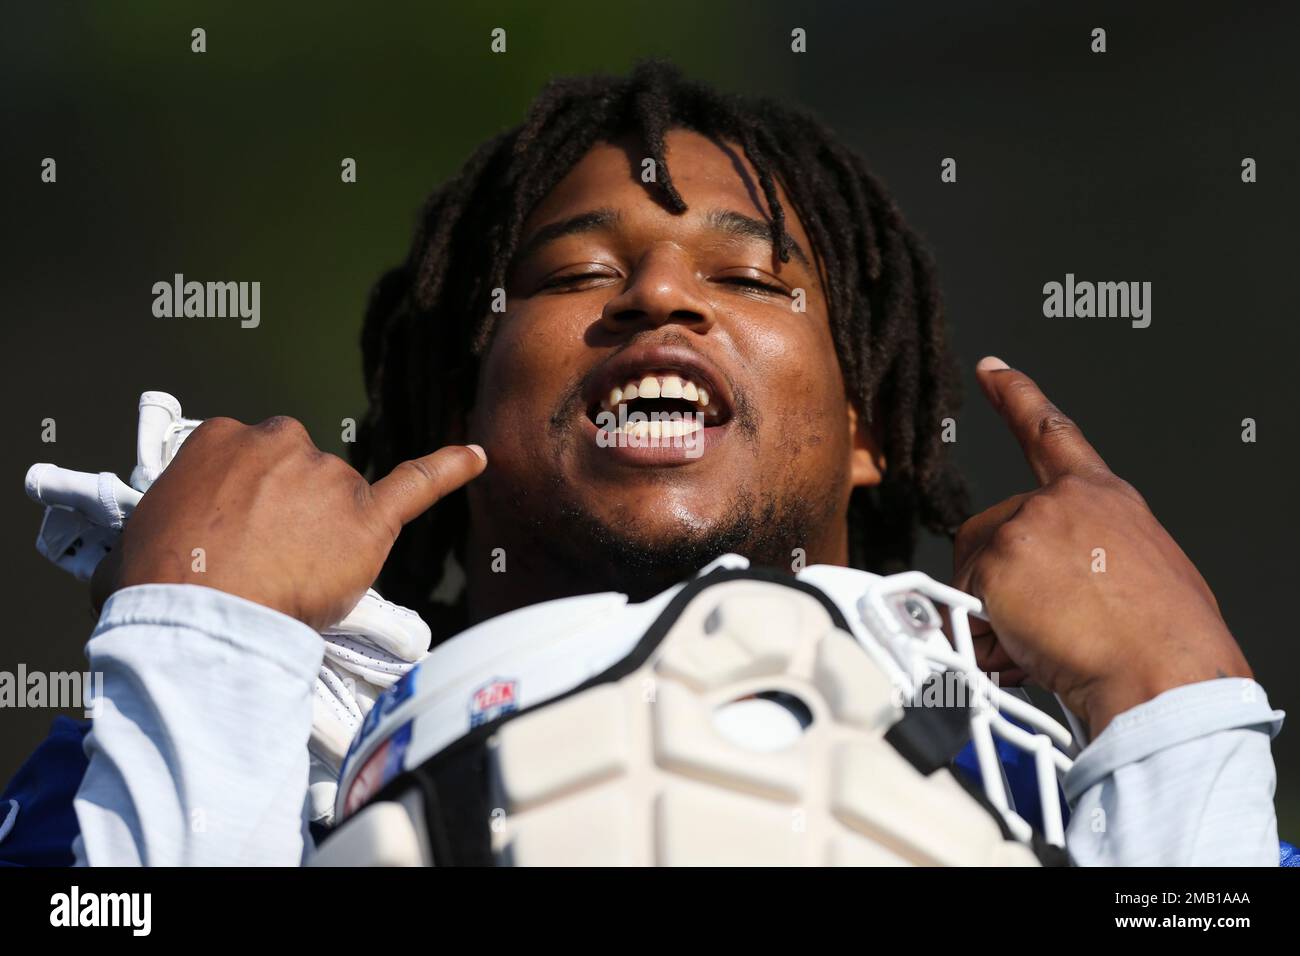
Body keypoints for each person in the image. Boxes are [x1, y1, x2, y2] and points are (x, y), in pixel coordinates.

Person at [1, 61, 1286, 866]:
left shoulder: (1068, 773)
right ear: (460, 401)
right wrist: (206, 640)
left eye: (747, 276)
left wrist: (1173, 701)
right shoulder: (245, 736)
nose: (661, 293)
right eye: (573, 274)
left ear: (867, 430)